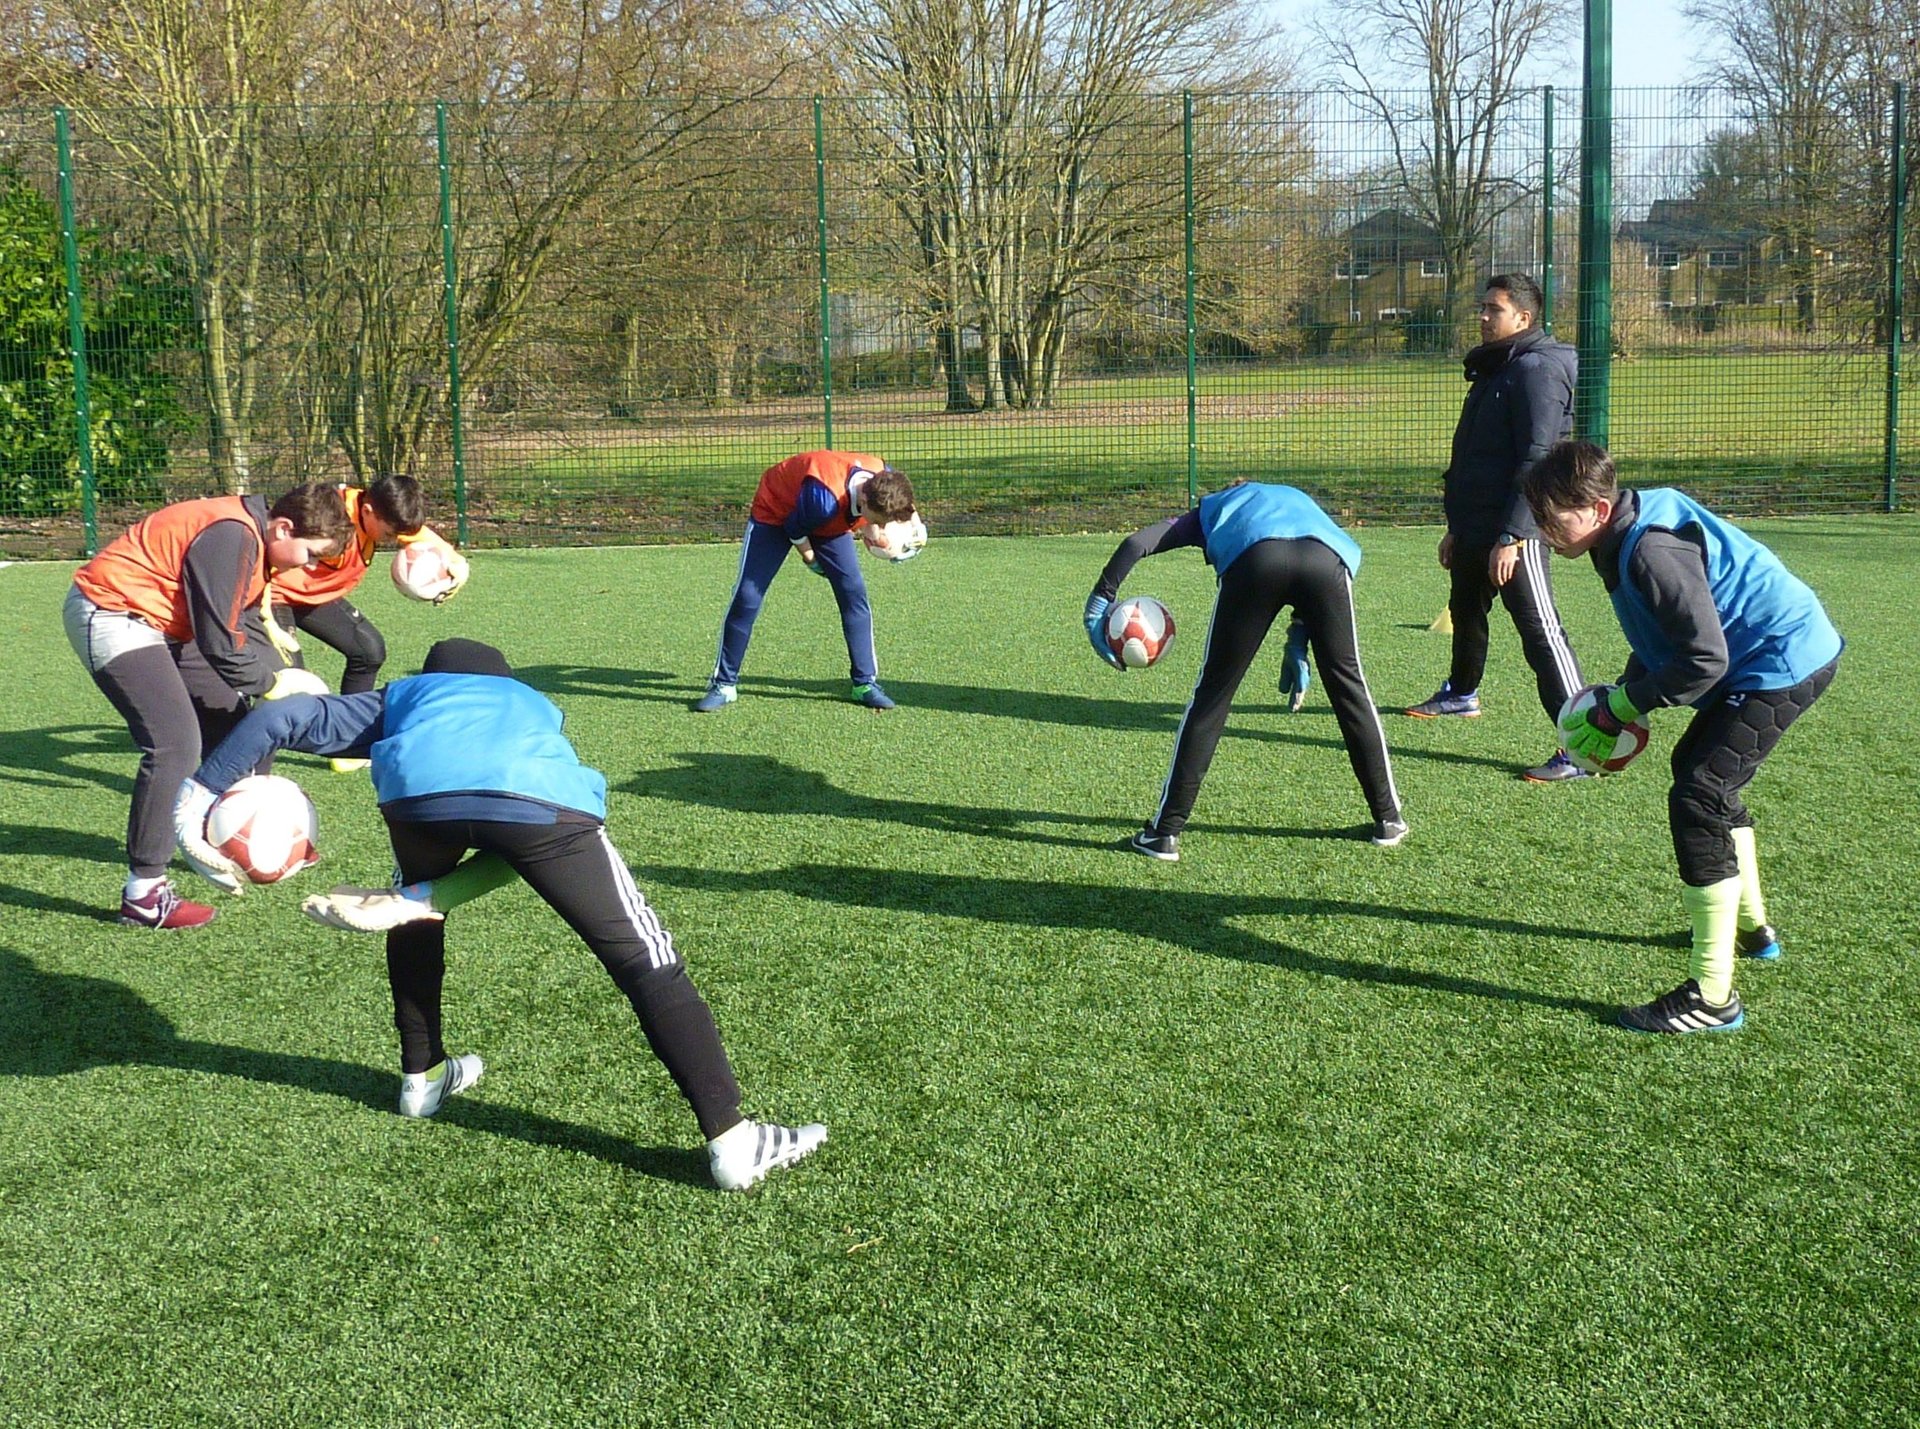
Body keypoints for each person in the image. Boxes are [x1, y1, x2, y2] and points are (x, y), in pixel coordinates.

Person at [171, 637, 828, 1190]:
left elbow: (278, 718)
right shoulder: (534, 707)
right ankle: (732, 1140)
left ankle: (421, 1077)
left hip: (417, 796)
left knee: (416, 915)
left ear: (433, 680)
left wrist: (194, 801)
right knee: (645, 959)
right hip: (540, 806)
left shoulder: (405, 697)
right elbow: (529, 845)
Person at [1523, 441, 1842, 1033]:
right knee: (1707, 779)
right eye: (1538, 520)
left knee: (1699, 791)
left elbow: (1701, 660)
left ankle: (1713, 995)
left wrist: (1620, 704)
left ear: (1595, 509)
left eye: (1553, 519)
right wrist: (1627, 688)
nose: (1544, 533)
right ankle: (1751, 929)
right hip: (1758, 656)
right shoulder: (1620, 529)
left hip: (1783, 658)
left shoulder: (1650, 550)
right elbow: (1666, 630)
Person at [64, 485, 351, 929]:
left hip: (168, 626)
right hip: (113, 611)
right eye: (311, 554)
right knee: (174, 745)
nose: (311, 567)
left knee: (243, 731)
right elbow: (219, 641)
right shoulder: (232, 534)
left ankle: (249, 833)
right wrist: (273, 682)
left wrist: (276, 680)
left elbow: (239, 631)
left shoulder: (256, 538)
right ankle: (143, 895)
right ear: (284, 528)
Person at [1083, 481, 1406, 862]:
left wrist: (1099, 600)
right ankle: (1388, 819)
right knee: (1350, 689)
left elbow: (1137, 544)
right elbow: (1306, 549)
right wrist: (1300, 636)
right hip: (1326, 563)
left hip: (1256, 563)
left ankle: (1164, 834)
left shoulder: (1211, 508)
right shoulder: (1299, 500)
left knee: (1212, 698)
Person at [1407, 273, 1589, 784]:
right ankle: (1461, 695)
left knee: (1541, 633)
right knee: (1466, 608)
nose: (1483, 317)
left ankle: (1582, 745)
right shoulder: (1498, 367)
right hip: (1476, 524)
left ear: (1523, 319)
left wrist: (1515, 535)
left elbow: (1538, 456)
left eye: (1494, 309)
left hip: (1517, 528)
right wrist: (1457, 527)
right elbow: (1473, 455)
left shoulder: (1537, 370)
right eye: (1482, 308)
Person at [693, 450, 917, 712]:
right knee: (748, 596)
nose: (883, 524)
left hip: (828, 517)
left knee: (853, 593)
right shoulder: (824, 500)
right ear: (865, 501)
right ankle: (723, 684)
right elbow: (794, 528)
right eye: (880, 519)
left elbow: (892, 511)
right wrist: (812, 560)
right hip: (776, 514)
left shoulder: (882, 474)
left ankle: (865, 684)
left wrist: (881, 534)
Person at [268, 474, 467, 698]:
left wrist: (457, 562)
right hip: (273, 596)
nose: (395, 540)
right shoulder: (333, 522)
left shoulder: (377, 510)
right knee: (293, 685)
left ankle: (350, 721)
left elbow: (419, 534)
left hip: (311, 597)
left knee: (368, 651)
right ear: (367, 512)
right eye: (390, 534)